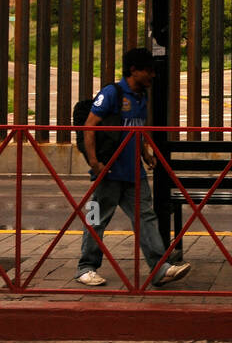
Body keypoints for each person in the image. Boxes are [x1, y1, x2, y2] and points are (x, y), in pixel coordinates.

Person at [77, 48, 192, 288]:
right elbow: (89, 126)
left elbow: (135, 130)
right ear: (134, 70)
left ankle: (159, 269)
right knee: (97, 218)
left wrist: (145, 153)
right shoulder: (112, 93)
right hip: (109, 171)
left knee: (146, 217)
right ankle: (86, 268)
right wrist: (94, 162)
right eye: (148, 70)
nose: (152, 75)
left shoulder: (141, 97)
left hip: (133, 172)